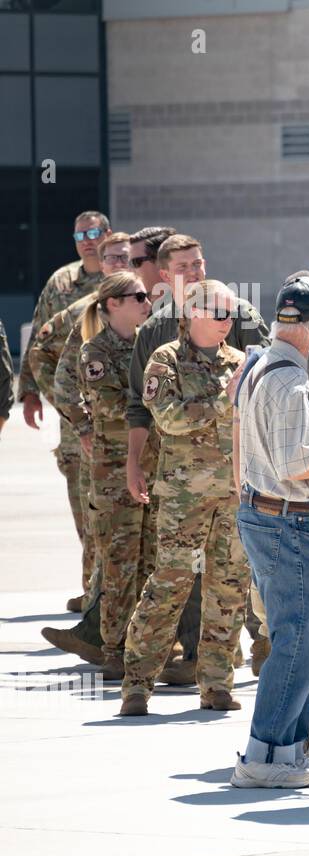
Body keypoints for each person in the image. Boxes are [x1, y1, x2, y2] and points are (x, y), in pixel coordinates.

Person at [118, 280, 251, 715]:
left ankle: (216, 684)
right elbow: (171, 419)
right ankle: (137, 684)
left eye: (231, 315)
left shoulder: (241, 362)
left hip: (233, 494)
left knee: (227, 589)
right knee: (170, 584)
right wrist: (222, 402)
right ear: (193, 314)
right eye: (219, 314)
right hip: (182, 498)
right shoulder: (166, 360)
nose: (228, 322)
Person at [230, 274, 309, 788]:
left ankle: (289, 752)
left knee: (308, 642)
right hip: (289, 520)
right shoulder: (290, 379)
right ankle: (264, 756)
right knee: (299, 641)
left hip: (271, 515)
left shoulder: (262, 363)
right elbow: (298, 464)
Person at [18, 211, 109, 614]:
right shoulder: (62, 283)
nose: (87, 241)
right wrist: (31, 392)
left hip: (115, 411)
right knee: (82, 500)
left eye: (94, 233)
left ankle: (104, 592)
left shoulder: (120, 285)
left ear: (107, 235)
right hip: (74, 416)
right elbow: (41, 334)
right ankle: (92, 587)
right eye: (80, 235)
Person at [75, 272, 154, 679]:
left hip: (149, 469)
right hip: (112, 473)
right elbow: (109, 408)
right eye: (136, 295)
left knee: (149, 562)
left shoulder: (148, 344)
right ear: (112, 304)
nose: (146, 301)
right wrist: (155, 404)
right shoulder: (96, 350)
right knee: (120, 562)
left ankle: (145, 648)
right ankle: (113, 649)